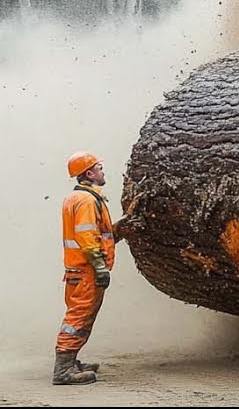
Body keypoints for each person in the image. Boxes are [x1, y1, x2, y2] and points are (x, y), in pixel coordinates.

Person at [53, 152, 117, 386]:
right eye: (99, 168)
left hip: (77, 270)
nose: (102, 171)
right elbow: (88, 238)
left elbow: (99, 237)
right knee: (78, 318)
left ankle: (71, 362)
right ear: (89, 173)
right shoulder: (87, 201)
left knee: (79, 316)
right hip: (86, 270)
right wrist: (100, 267)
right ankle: (63, 370)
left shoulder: (77, 198)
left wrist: (122, 228)